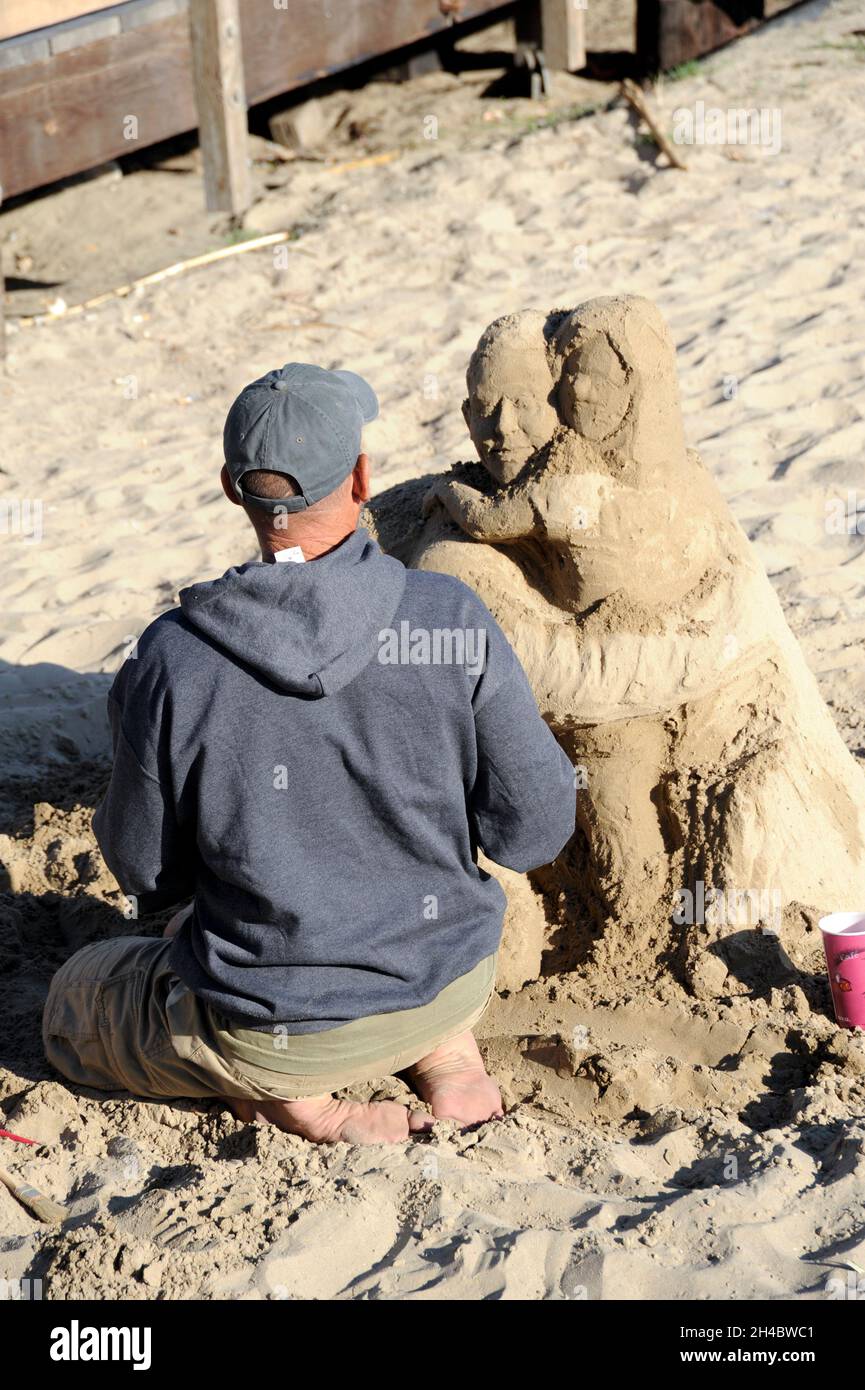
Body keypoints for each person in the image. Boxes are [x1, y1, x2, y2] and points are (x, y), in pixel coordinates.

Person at [43, 363, 575, 1144]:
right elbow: (534, 831)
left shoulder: (172, 659)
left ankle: (302, 1105)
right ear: (362, 478)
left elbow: (144, 871)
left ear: (232, 488)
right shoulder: (445, 615)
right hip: (449, 979)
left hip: (277, 1026)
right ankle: (447, 1058)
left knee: (69, 1000)